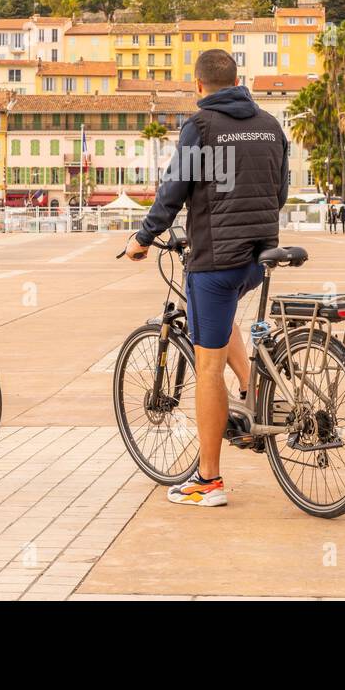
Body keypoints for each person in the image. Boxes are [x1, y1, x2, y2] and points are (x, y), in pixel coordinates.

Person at [122, 49, 289, 508]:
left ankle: (208, 481)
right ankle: (255, 392)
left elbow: (174, 191)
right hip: (259, 255)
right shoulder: (271, 125)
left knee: (207, 366)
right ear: (238, 80)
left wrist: (143, 237)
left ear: (198, 86)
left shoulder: (201, 126)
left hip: (216, 260)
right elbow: (280, 192)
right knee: (222, 323)